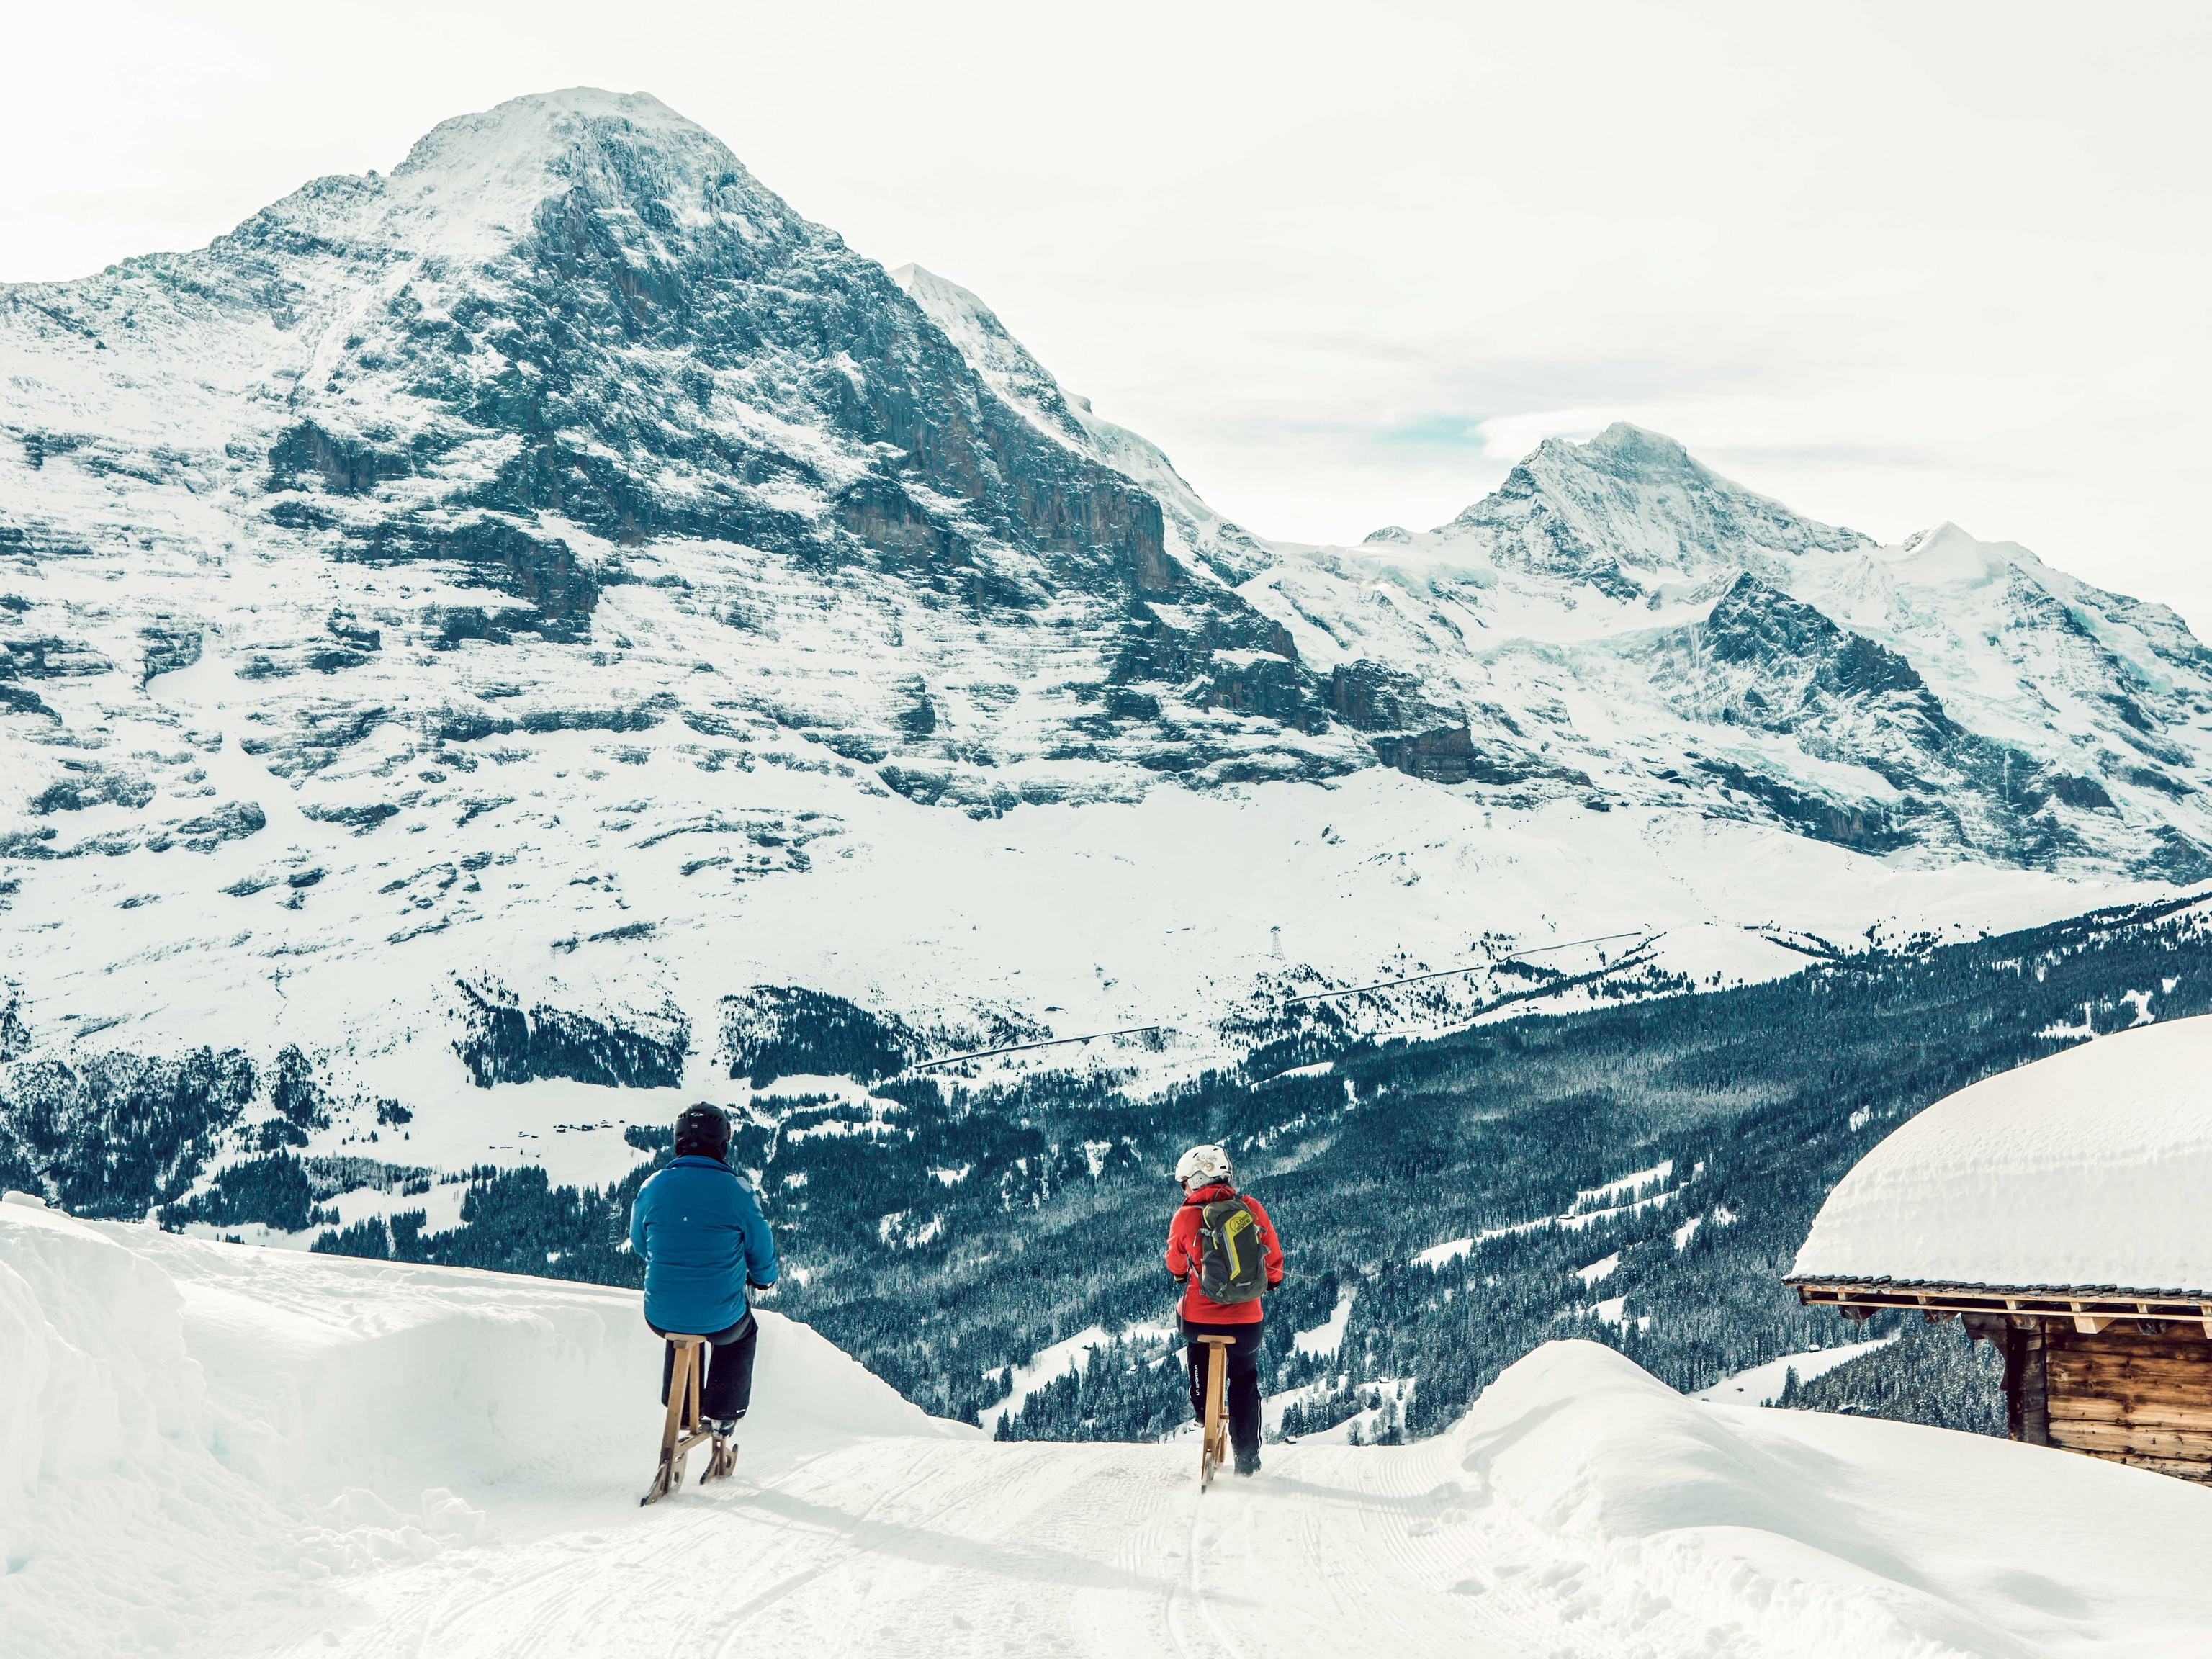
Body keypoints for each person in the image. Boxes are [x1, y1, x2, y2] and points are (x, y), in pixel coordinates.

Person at [628, 1104, 778, 1431]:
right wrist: (764, 1280)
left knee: (680, 1324)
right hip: (721, 1320)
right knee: (740, 1333)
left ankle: (681, 1411)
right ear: (723, 1142)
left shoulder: (652, 1186)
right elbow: (760, 1248)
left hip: (659, 1316)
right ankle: (725, 1413)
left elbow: (641, 1245)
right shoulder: (737, 1191)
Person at [1164, 1143, 1283, 1476]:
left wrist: (1180, 1274)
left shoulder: (1185, 1216)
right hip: (1246, 1323)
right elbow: (1272, 1259)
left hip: (1198, 1319)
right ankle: (1247, 1458)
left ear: (1199, 1180)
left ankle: (1203, 1408)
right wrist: (1271, 1281)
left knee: (1196, 1342)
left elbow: (1175, 1261)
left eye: (1185, 1182)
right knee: (1245, 1378)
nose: (1184, 1189)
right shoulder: (1251, 1209)